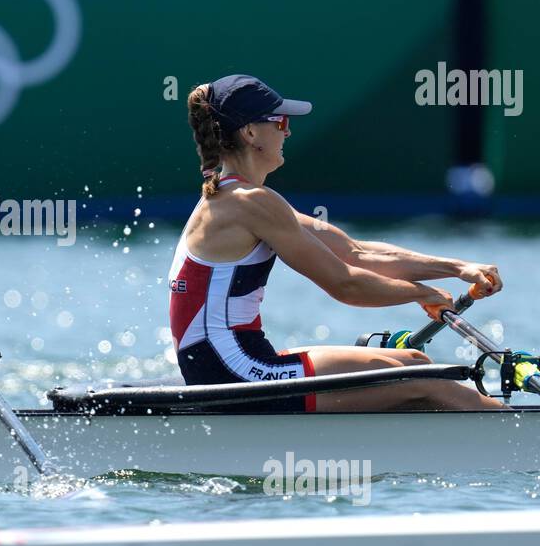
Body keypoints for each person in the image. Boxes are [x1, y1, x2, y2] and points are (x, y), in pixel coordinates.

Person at [168, 74, 503, 412]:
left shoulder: (240, 198)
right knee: (424, 380)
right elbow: (345, 284)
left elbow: (356, 253)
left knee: (413, 360)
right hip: (233, 374)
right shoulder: (248, 202)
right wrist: (422, 293)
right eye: (280, 121)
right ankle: (514, 434)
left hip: (230, 364)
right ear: (250, 132)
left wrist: (458, 268)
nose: (288, 131)